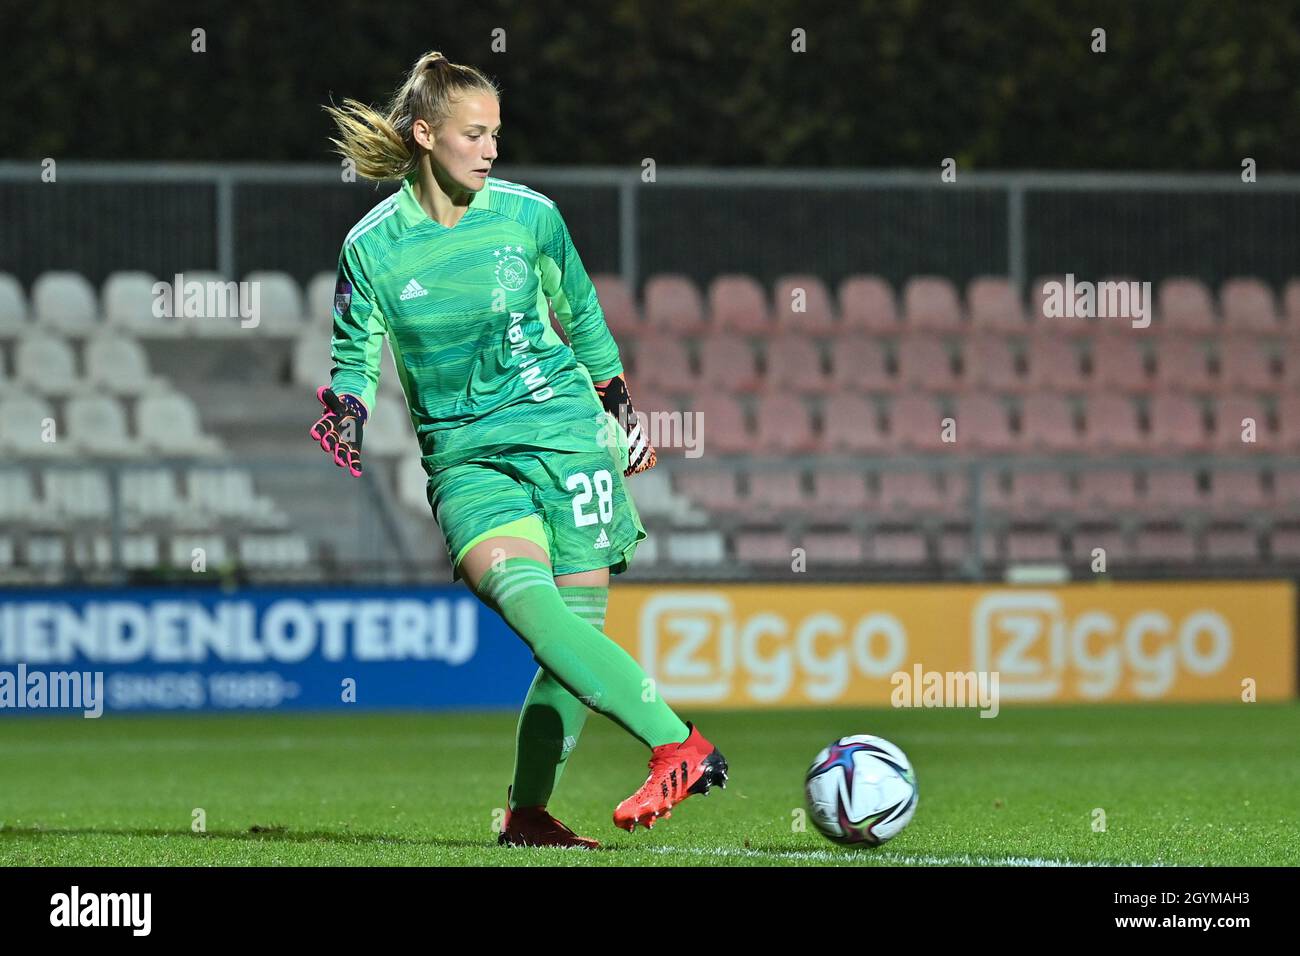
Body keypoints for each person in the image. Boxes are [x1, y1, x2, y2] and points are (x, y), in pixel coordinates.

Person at [310, 51, 727, 848]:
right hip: (464, 459)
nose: (493, 149)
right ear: (426, 135)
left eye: (497, 134)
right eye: (476, 134)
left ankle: (529, 815)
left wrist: (619, 405)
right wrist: (348, 405)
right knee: (531, 607)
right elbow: (354, 354)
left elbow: (582, 310)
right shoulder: (372, 248)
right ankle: (680, 742)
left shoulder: (529, 216)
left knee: (572, 629)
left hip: (566, 436)